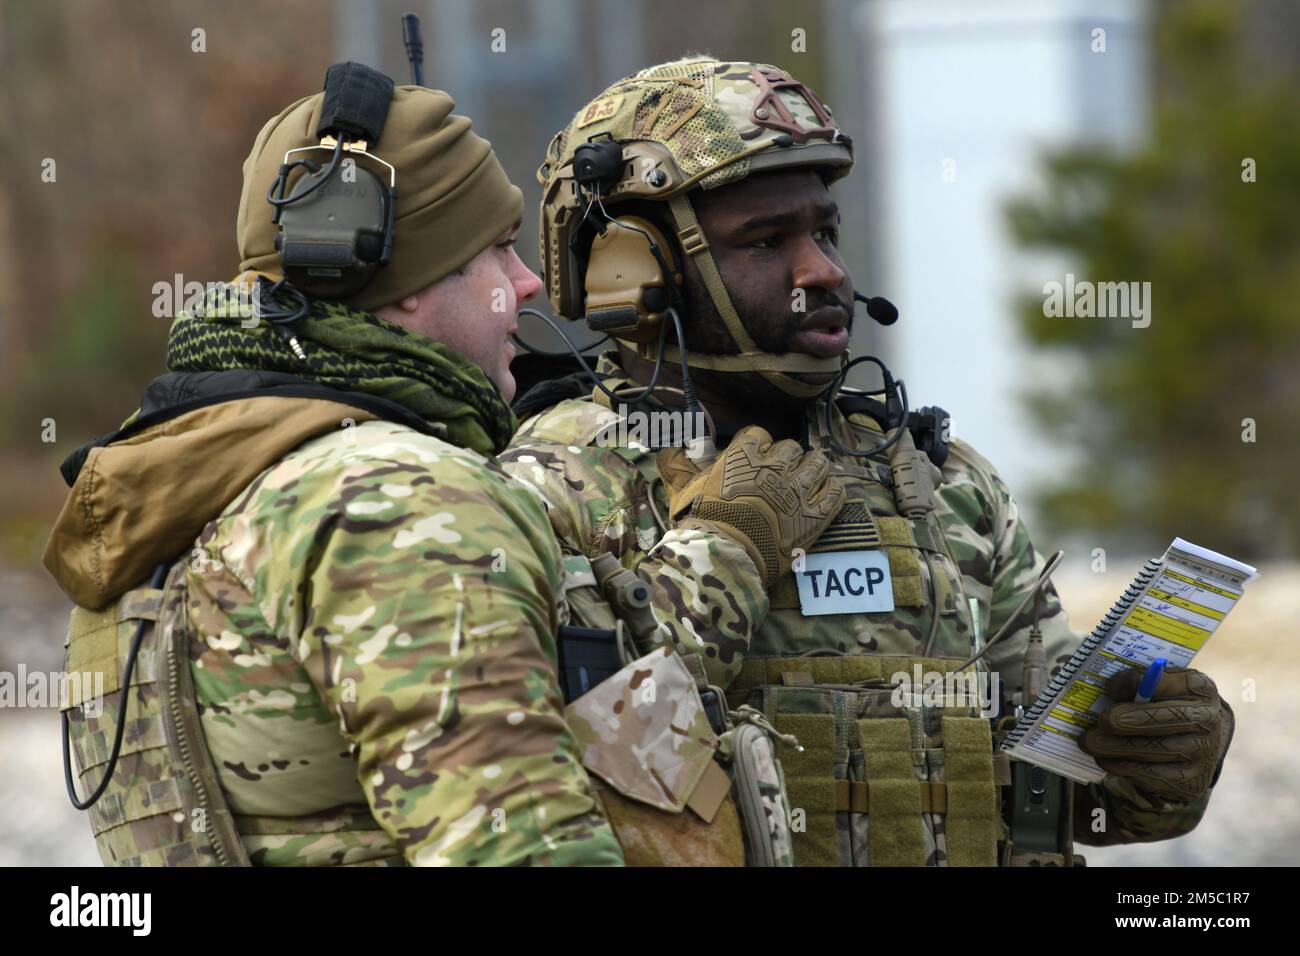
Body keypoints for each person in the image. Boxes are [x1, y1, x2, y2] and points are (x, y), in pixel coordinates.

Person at [503, 56, 1235, 866]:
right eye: (768, 240)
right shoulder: (549, 489)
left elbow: (1052, 804)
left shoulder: (942, 483)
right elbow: (530, 783)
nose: (824, 272)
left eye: (825, 231)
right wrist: (732, 549)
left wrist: (1154, 767)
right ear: (635, 273)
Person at [45, 63, 634, 866]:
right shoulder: (397, 501)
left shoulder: (180, 477)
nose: (528, 282)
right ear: (403, 290)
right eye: (497, 248)